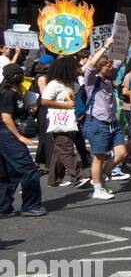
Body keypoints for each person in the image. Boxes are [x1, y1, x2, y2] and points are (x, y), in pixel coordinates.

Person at [81, 44, 128, 200]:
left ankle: (102, 174)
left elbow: (120, 59)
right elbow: (92, 65)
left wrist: (122, 38)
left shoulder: (108, 79)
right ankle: (98, 188)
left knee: (122, 153)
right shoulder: (90, 81)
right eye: (107, 66)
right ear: (100, 68)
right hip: (96, 122)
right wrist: (106, 46)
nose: (111, 68)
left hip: (112, 122)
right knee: (99, 156)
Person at [0, 64, 45, 216]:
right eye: (20, 74)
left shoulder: (15, 92)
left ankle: (3, 206)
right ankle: (31, 205)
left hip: (7, 135)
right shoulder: (7, 93)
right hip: (8, 135)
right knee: (29, 170)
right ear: (14, 77)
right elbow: (6, 118)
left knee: (9, 172)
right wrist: (19, 137)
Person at [39, 56, 87, 189]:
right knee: (66, 149)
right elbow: (45, 101)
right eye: (74, 67)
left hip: (70, 121)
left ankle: (53, 179)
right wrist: (64, 105)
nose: (77, 69)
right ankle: (77, 177)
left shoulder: (73, 84)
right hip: (58, 122)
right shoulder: (54, 84)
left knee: (58, 151)